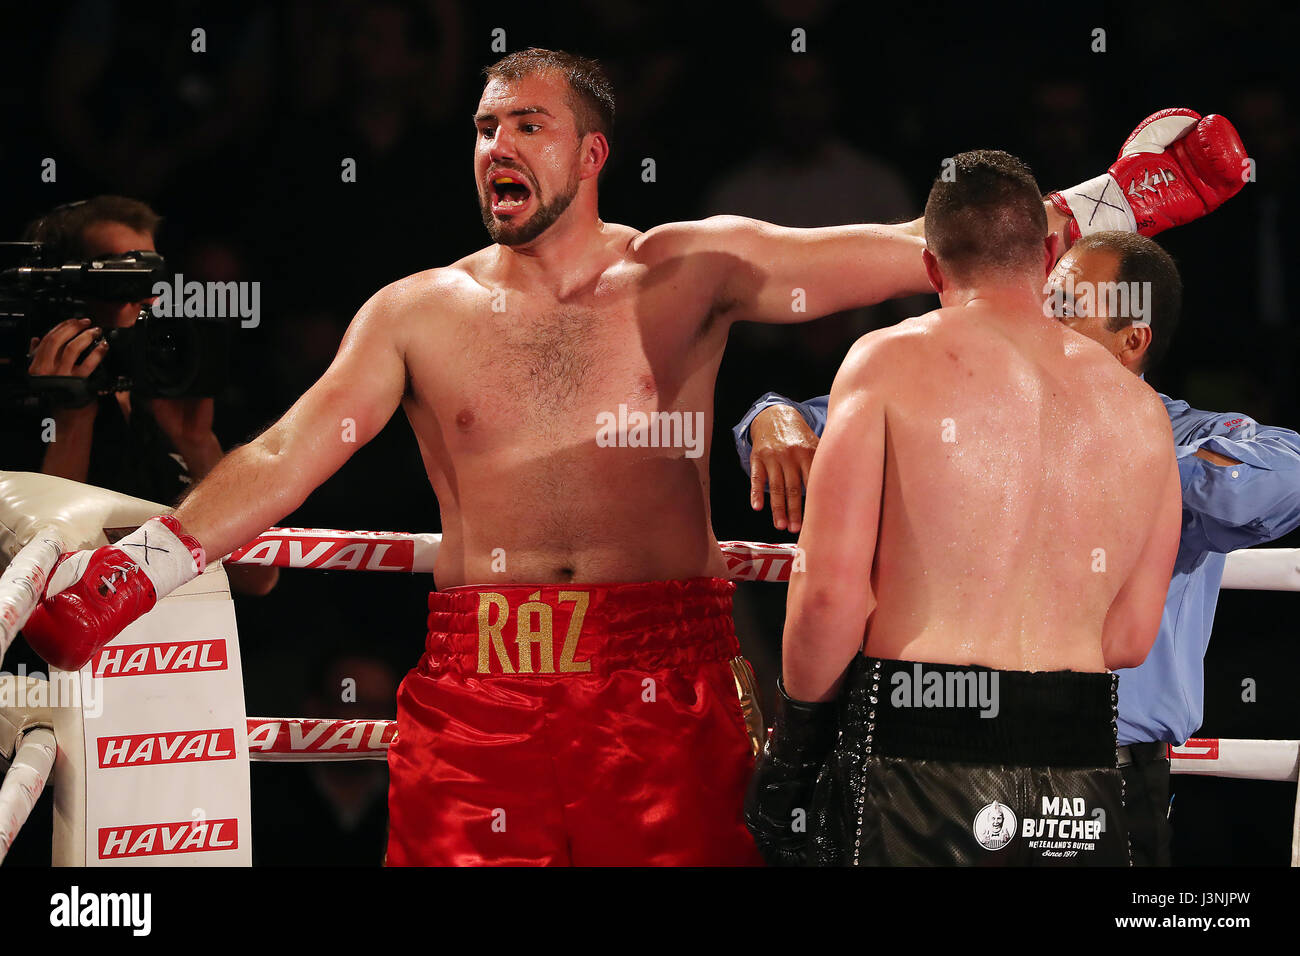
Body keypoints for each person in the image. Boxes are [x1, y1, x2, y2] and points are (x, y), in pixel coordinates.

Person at [21, 51, 1241, 866]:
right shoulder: (415, 313)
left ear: (591, 150)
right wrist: (144, 564)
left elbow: (906, 250)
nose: (497, 144)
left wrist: (1107, 200)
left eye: (528, 124)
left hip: (662, 689)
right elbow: (291, 452)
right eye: (485, 126)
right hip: (479, 699)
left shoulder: (691, 268)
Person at [735, 231, 1300, 865]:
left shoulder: (1185, 434)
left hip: (1108, 759)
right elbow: (811, 419)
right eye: (1044, 299)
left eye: (1067, 308)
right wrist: (769, 415)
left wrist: (1115, 450)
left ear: (1132, 341)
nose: (1042, 321)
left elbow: (1285, 482)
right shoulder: (964, 396)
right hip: (946, 733)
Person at [22, 196, 278, 597]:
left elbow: (259, 577)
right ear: (66, 290)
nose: (146, 297)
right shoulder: (23, 403)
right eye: (122, 274)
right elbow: (42, 578)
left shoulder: (167, 389)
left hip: (179, 654)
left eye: (151, 275)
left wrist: (195, 443)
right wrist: (72, 417)